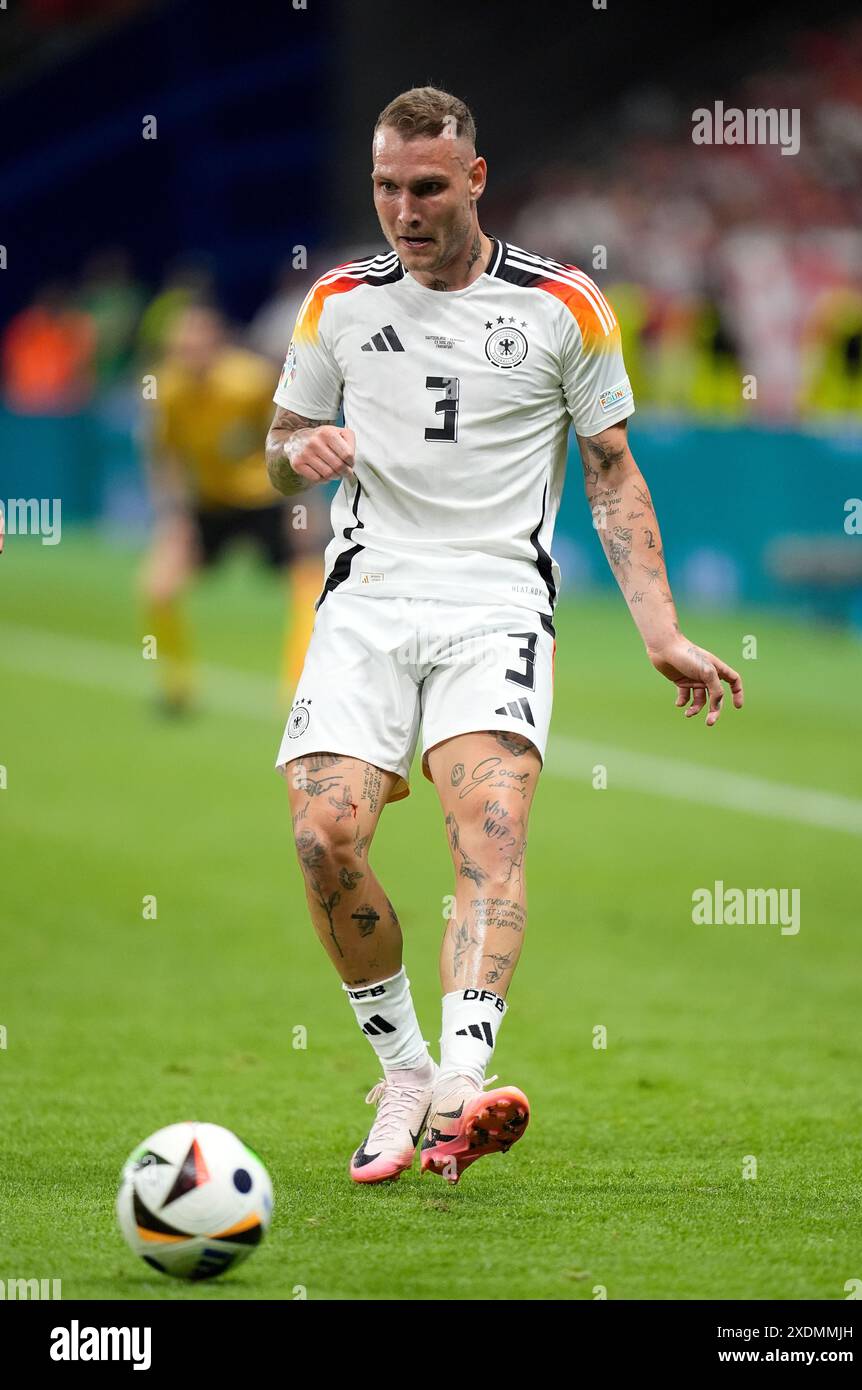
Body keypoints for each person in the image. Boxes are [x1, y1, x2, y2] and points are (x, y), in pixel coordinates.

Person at [265, 86, 743, 1186]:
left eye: (426, 186)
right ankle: (402, 1069)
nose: (402, 208)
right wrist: (303, 454)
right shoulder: (336, 300)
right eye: (385, 185)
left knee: (489, 825)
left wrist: (660, 627)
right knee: (321, 835)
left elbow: (612, 469)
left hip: (496, 603)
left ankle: (460, 1090)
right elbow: (277, 443)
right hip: (368, 597)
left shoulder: (564, 306)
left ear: (476, 179)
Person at [141, 300, 321, 711]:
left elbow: (288, 438)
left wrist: (303, 507)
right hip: (207, 504)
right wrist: (173, 518)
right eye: (179, 346)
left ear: (216, 342)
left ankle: (298, 689)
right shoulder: (164, 390)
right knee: (158, 587)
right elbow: (163, 456)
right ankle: (177, 684)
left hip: (263, 500)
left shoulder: (251, 381)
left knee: (311, 587)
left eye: (196, 343)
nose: (188, 353)